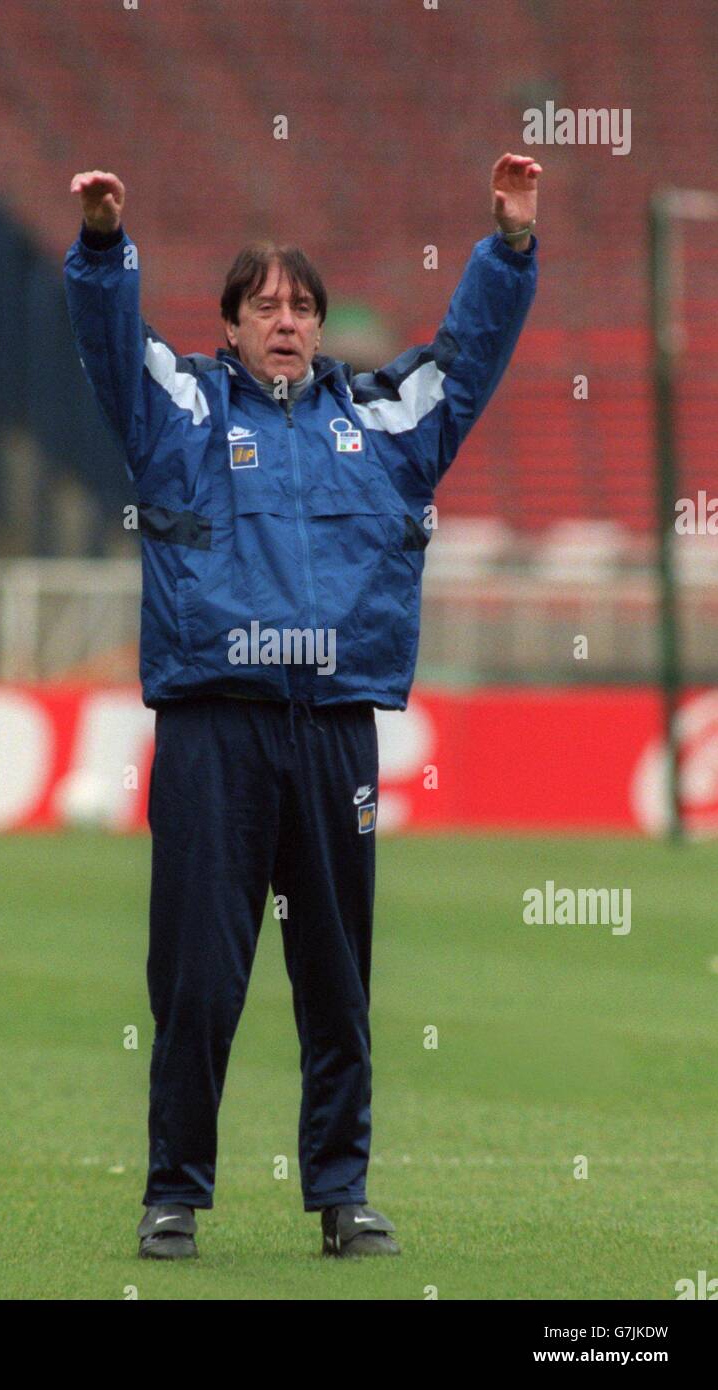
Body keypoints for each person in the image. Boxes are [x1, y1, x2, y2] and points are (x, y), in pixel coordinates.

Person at [64, 154, 540, 1260]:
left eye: (303, 306)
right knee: (194, 975)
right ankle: (172, 1193)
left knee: (335, 976)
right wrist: (101, 248)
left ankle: (342, 1192)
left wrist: (508, 250)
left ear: (322, 327)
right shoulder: (177, 413)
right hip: (211, 728)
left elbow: (464, 362)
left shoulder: (382, 425)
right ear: (227, 325)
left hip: (334, 732)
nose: (285, 321)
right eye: (264, 305)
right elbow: (102, 342)